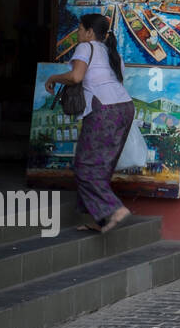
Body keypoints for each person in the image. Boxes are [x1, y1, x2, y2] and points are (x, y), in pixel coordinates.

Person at [43, 12, 135, 233]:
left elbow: (76, 77)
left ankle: (114, 209)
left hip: (104, 111)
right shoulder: (113, 52)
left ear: (90, 32)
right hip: (125, 108)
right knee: (102, 166)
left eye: (79, 29)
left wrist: (53, 78)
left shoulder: (86, 47)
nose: (77, 33)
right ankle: (101, 219)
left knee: (85, 166)